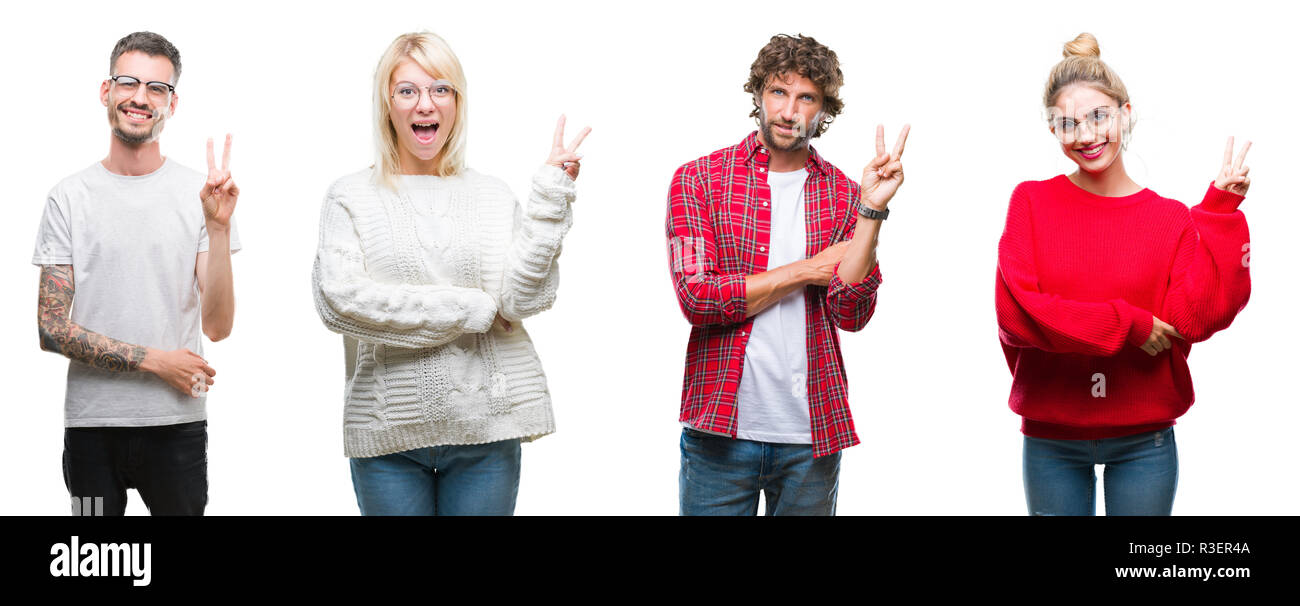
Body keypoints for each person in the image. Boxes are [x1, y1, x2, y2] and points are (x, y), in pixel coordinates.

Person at [312, 31, 589, 516]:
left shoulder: (492, 195)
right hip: (387, 435)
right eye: (408, 91)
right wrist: (472, 307)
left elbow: (520, 302)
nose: (426, 104)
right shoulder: (350, 195)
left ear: (457, 103)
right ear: (387, 104)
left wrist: (549, 200)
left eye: (441, 89)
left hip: (487, 429)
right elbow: (341, 301)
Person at [995, 33, 1252, 516]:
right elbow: (1018, 315)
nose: (1087, 136)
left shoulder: (1171, 218)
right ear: (1053, 129)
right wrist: (1128, 324)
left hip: (1145, 439)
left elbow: (1195, 320)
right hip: (1053, 437)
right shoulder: (1030, 202)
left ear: (1125, 113)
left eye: (1099, 116)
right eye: (1068, 123)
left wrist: (1218, 213)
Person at [667, 33, 909, 516]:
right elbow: (699, 299)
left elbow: (851, 312)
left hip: (810, 434)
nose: (788, 110)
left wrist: (870, 214)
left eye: (806, 98)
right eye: (778, 92)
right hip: (720, 431)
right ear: (758, 95)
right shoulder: (699, 180)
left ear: (824, 110)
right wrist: (808, 270)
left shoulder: (844, 194)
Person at [32, 31, 242, 516]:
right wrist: (156, 361)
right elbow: (50, 328)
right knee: (94, 564)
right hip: (90, 429)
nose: (140, 98)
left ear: (172, 103)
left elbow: (219, 327)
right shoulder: (69, 197)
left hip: (178, 428)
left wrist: (218, 228)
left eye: (157, 88)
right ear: (107, 91)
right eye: (129, 82)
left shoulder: (201, 195)